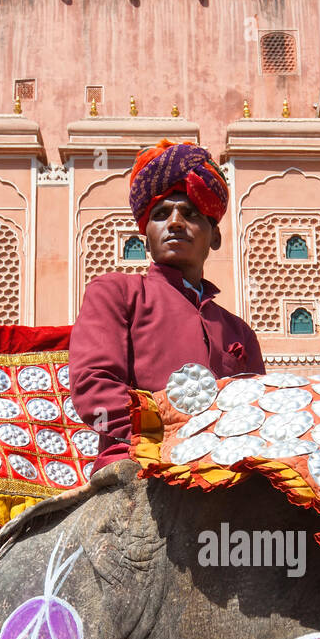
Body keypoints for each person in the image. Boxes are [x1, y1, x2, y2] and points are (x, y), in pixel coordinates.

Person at [69, 138, 266, 471]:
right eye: (161, 215)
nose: (175, 222)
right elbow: (94, 388)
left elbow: (257, 409)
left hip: (225, 470)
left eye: (190, 214)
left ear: (214, 237)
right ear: (146, 236)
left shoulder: (239, 331)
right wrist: (168, 432)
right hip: (136, 462)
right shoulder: (116, 292)